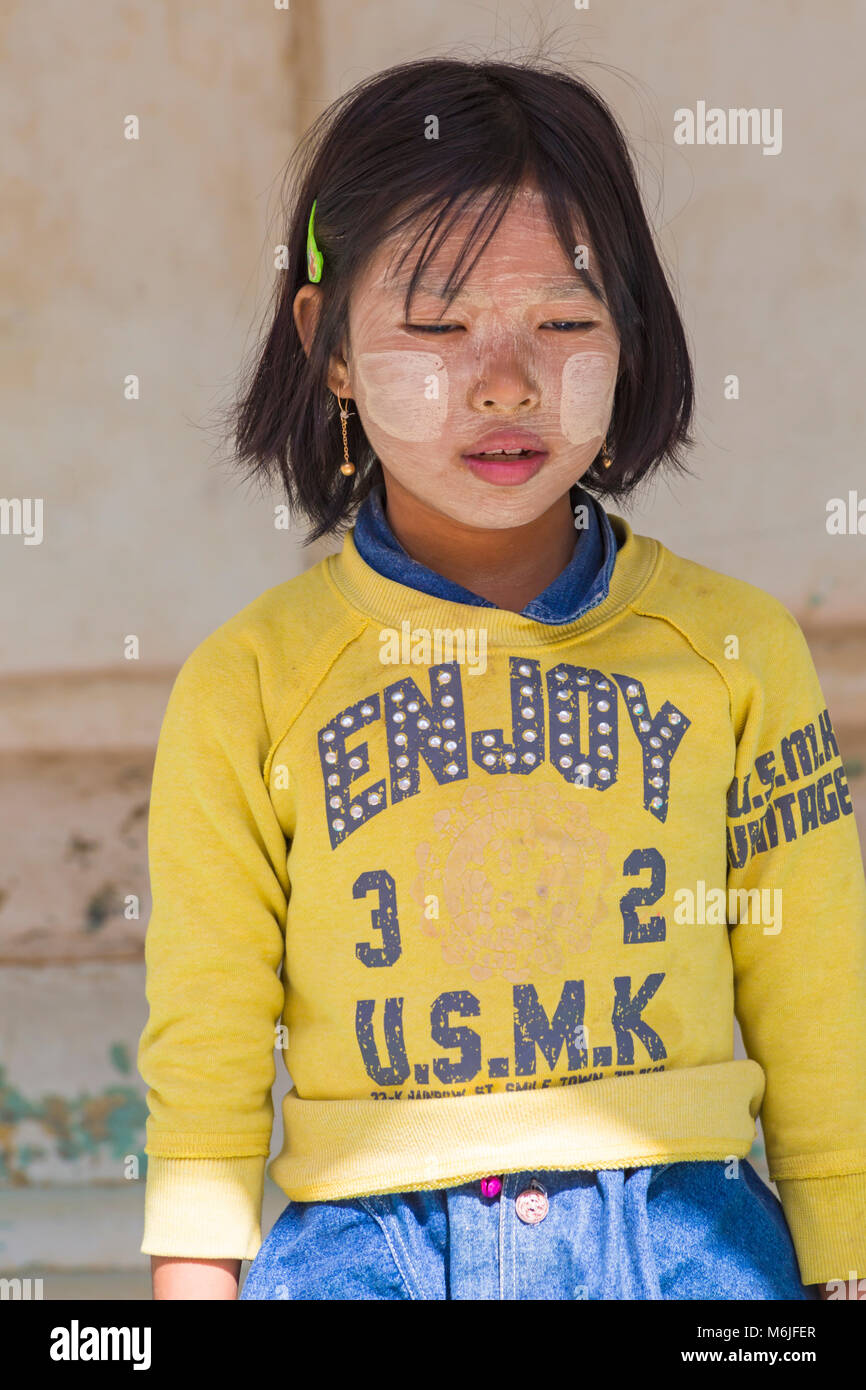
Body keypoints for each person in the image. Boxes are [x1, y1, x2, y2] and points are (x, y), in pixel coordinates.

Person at [139, 56, 866, 1300]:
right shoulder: (247, 686)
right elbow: (204, 1049)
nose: (504, 379)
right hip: (363, 1255)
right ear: (329, 350)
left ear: (628, 332)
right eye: (433, 323)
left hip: (686, 1248)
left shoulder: (735, 654)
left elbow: (814, 997)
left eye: (565, 320)